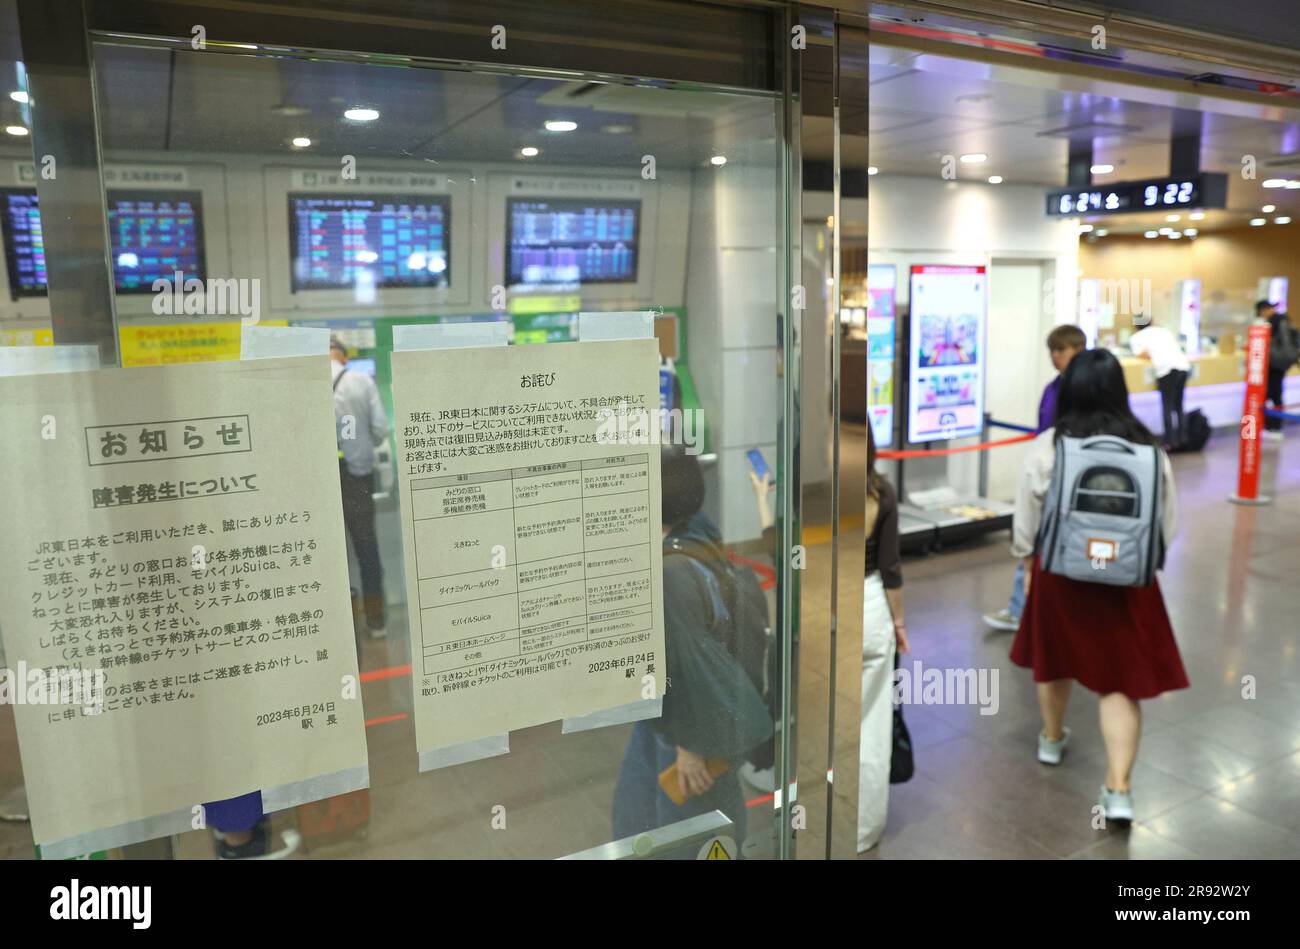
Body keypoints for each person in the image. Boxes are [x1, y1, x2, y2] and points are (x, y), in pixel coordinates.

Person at [1009, 348, 1188, 822]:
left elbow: (1026, 514)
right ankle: (1119, 787)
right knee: (1119, 680)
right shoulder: (1150, 449)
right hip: (1128, 581)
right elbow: (1167, 523)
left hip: (1060, 573)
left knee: (1055, 659)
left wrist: (1027, 561)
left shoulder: (1051, 444)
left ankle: (1050, 739)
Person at [612, 446, 771, 848]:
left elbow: (692, 659)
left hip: (691, 724)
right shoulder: (698, 530)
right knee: (638, 814)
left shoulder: (672, 572)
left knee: (695, 834)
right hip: (666, 714)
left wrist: (691, 745)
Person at [983, 324, 1086, 631]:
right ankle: (1023, 608)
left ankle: (1027, 609)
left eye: (1061, 350)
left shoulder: (1083, 390)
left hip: (1073, 482)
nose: (1055, 357)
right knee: (1036, 543)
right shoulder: (1054, 388)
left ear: (1078, 350)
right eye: (1052, 351)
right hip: (1050, 476)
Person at [858, 425, 908, 852]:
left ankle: (817, 824)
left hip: (825, 609)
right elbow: (891, 566)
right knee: (872, 725)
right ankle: (863, 831)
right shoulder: (883, 493)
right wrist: (900, 624)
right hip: (873, 606)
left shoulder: (817, 490)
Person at [330, 336, 391, 639]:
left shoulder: (303, 383)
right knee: (367, 551)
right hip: (356, 477)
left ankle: (335, 631)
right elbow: (380, 429)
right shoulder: (359, 381)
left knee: (328, 555)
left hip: (322, 479)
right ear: (342, 355)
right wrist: (365, 442)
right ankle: (376, 621)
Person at [1127, 318, 1190, 450]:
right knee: (1178, 405)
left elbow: (1141, 355)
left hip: (1166, 370)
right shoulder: (1164, 331)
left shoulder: (1136, 337)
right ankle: (1183, 438)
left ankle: (1170, 441)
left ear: (1135, 325)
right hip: (1183, 366)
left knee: (1167, 406)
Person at [1263, 300, 1299, 442]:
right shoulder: (1285, 320)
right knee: (1276, 394)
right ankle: (1275, 427)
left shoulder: (1275, 322)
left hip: (1275, 364)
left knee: (1272, 395)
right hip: (1283, 364)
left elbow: (1274, 344)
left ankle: (1273, 427)